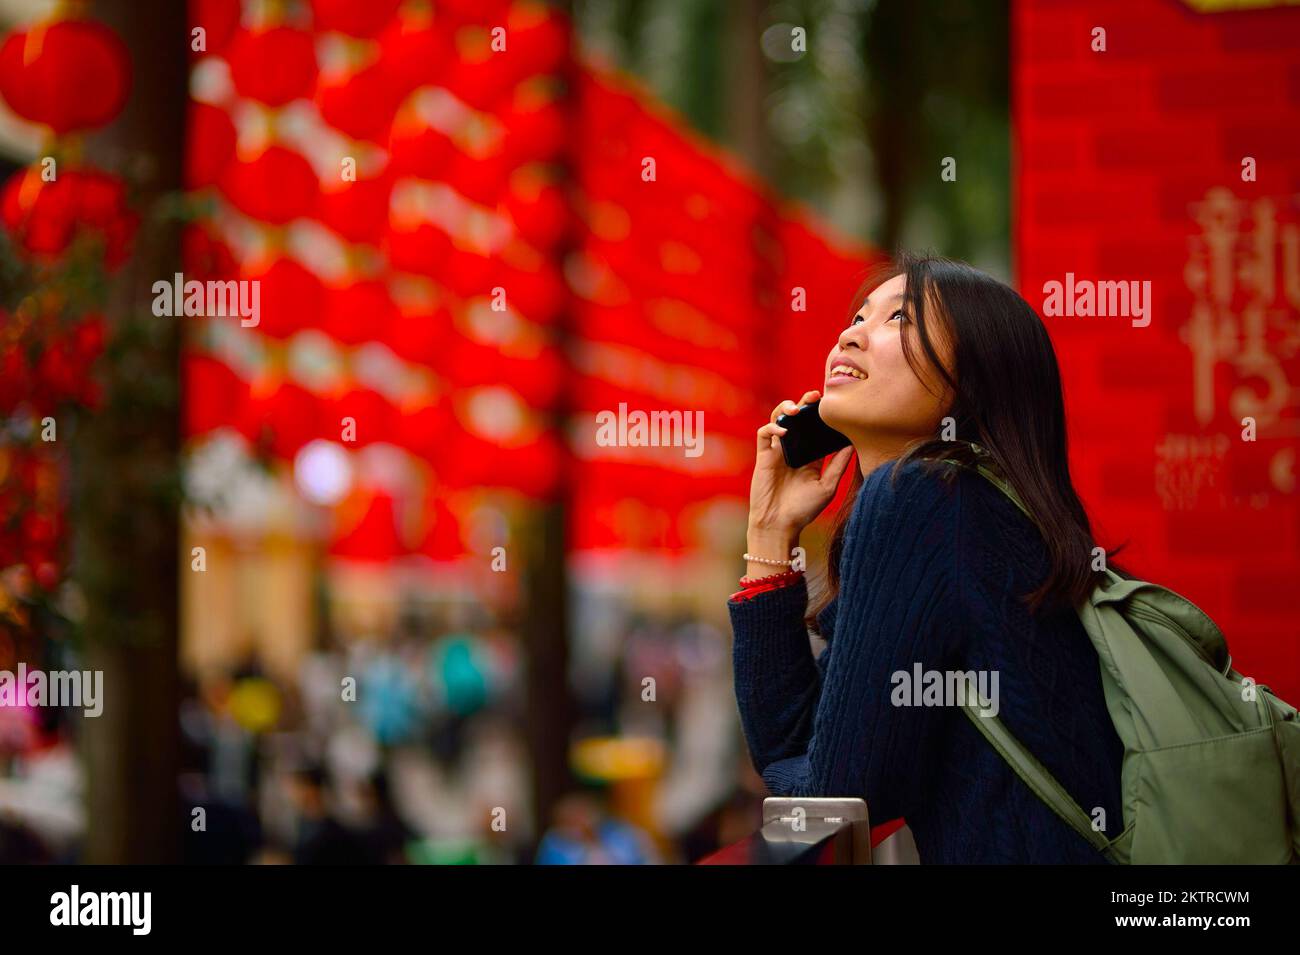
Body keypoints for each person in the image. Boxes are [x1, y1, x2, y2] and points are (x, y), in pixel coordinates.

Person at [730, 252, 1125, 864]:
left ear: (974, 382)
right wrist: (769, 531)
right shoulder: (971, 507)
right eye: (859, 315)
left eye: (900, 320)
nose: (851, 333)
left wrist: (796, 770)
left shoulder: (921, 496)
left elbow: (833, 796)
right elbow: (802, 752)